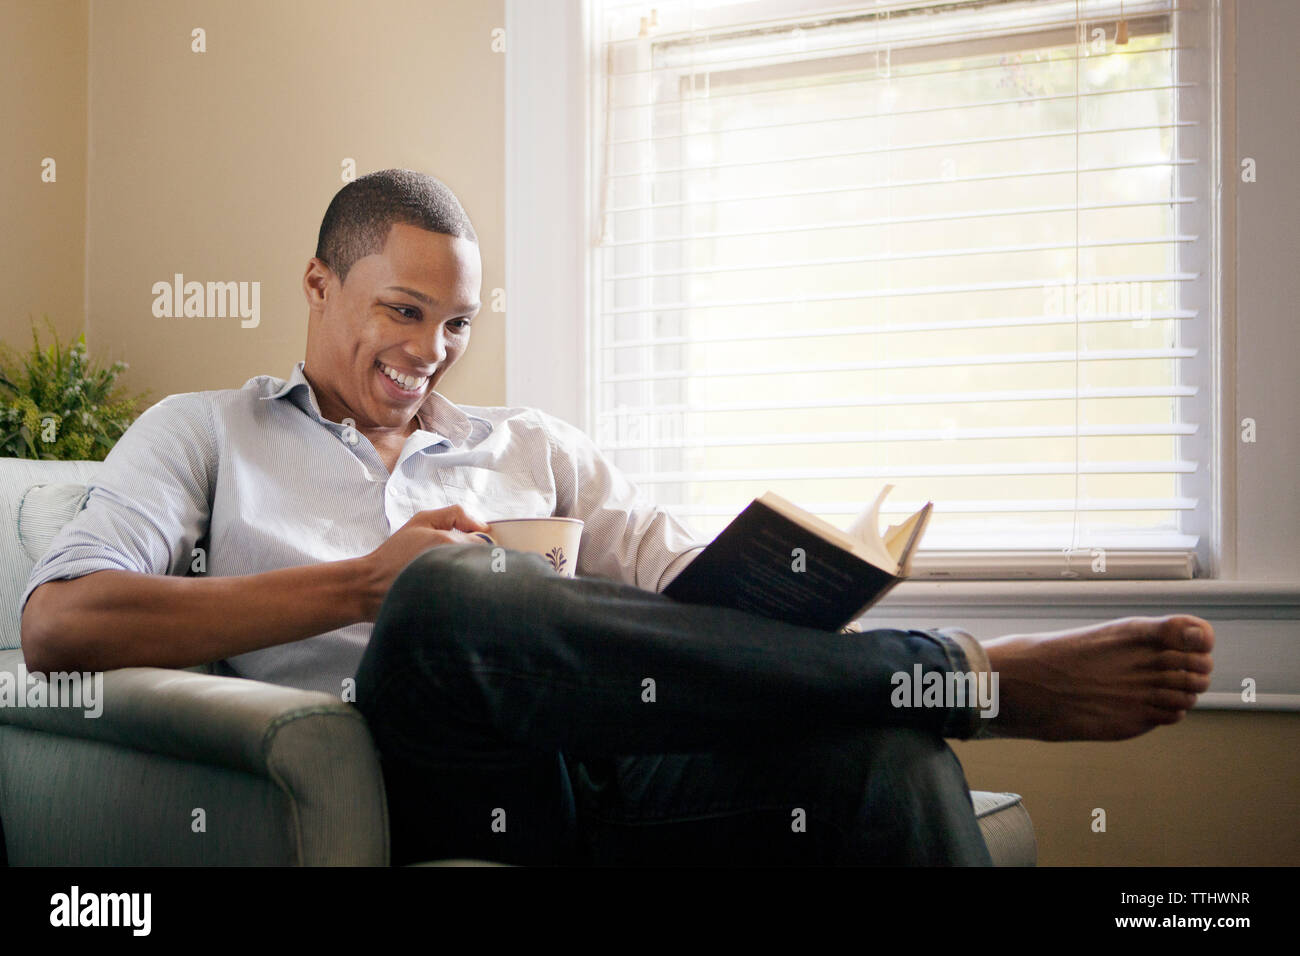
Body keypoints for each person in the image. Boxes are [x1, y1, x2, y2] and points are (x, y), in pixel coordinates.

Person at [19, 169, 1215, 866]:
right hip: (413, 766)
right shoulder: (205, 429)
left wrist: (791, 582)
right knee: (446, 594)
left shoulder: (533, 443)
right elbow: (60, 625)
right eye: (402, 310)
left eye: (457, 324)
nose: (428, 352)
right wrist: (357, 586)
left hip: (609, 766)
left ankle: (921, 690)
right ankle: (966, 675)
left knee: (882, 758)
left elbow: (679, 572)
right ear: (318, 285)